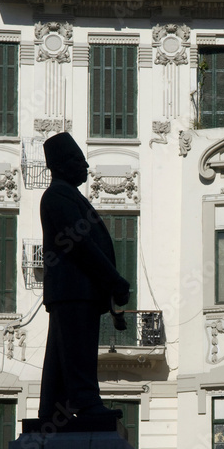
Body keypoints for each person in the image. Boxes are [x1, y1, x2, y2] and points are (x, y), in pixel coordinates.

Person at [38, 132, 130, 422]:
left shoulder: (67, 196)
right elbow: (80, 244)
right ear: (62, 165)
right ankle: (87, 403)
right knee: (78, 354)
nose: (86, 165)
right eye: (78, 160)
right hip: (74, 290)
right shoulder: (57, 196)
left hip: (75, 291)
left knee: (61, 358)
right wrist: (113, 279)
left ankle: (52, 411)